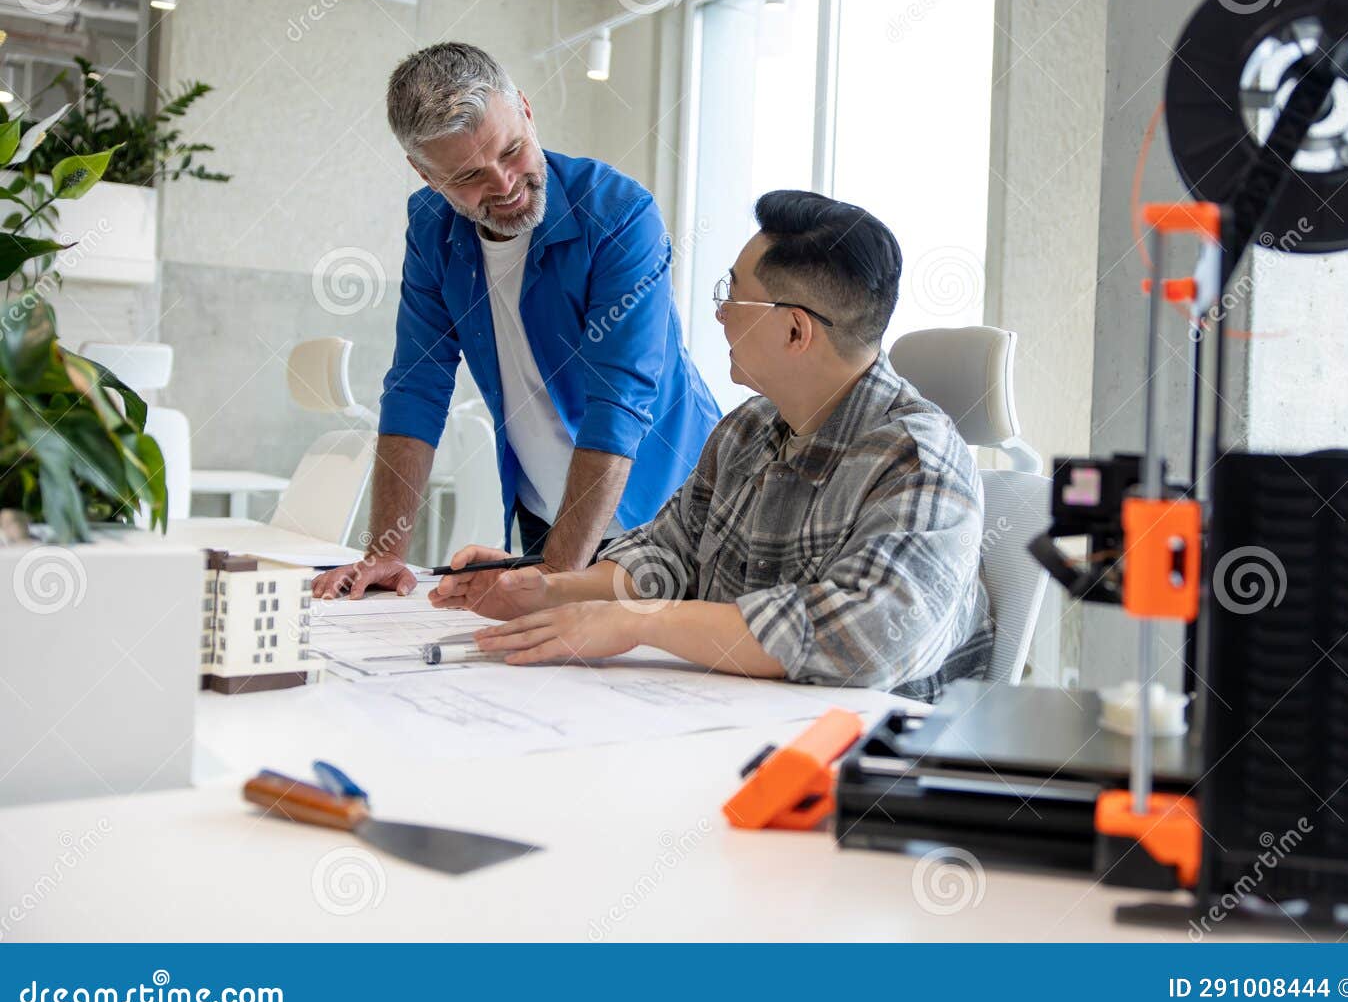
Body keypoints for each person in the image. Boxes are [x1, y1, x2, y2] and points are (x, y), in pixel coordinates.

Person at [432, 190, 995, 700]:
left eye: (734, 296)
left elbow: (863, 638)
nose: (720, 312)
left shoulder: (919, 460)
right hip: (735, 711)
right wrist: (542, 589)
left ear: (796, 331)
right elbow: (666, 556)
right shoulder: (746, 430)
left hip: (866, 764)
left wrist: (640, 622)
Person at [311, 43, 720, 600]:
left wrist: (555, 580)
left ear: (526, 110)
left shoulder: (619, 213)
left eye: (512, 151)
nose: (503, 184)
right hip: (549, 514)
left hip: (667, 511)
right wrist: (384, 553)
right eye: (469, 175)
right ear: (424, 174)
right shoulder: (431, 228)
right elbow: (416, 383)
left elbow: (618, 402)